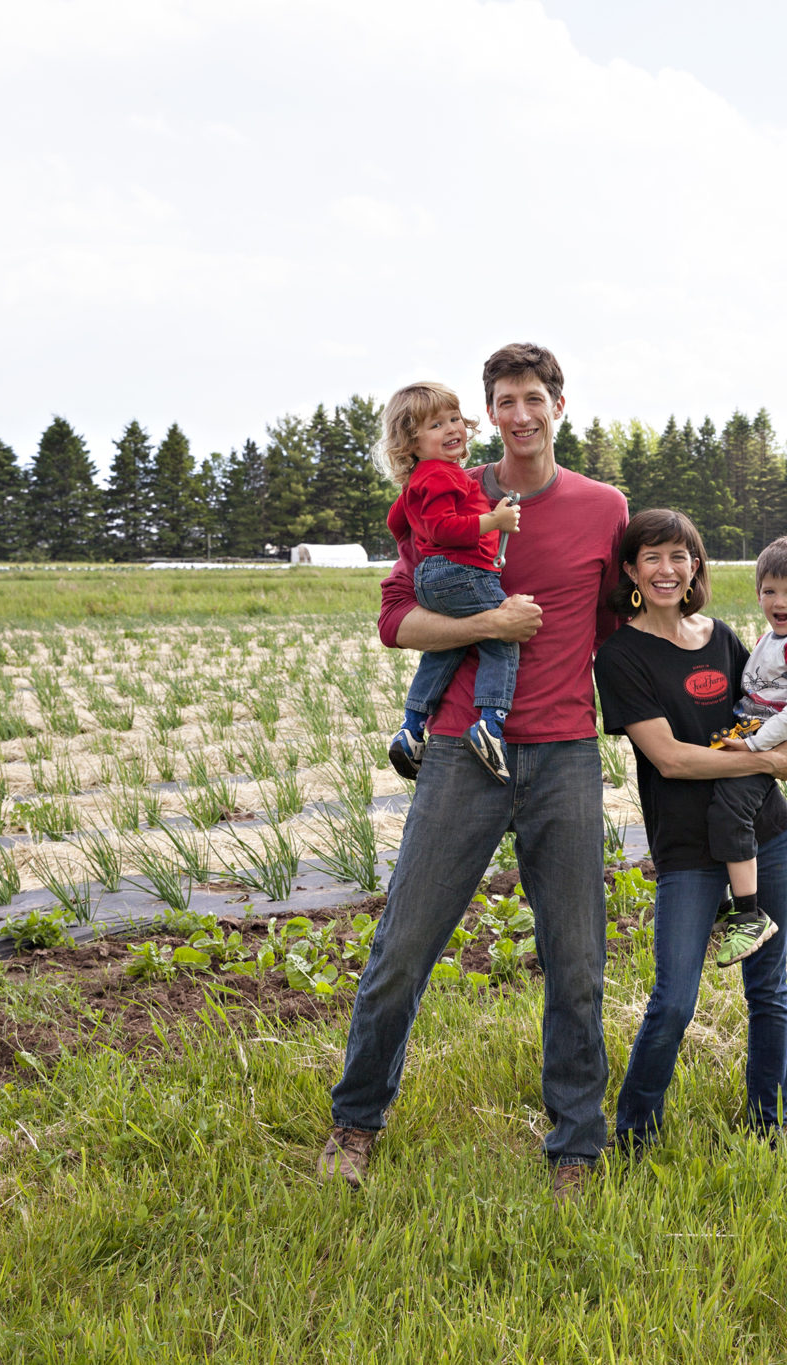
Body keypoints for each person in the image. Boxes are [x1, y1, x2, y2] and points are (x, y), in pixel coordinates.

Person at [320, 343, 628, 1200]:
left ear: (559, 405)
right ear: (488, 413)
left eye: (534, 398)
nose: (519, 415)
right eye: (504, 401)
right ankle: (355, 1122)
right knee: (402, 948)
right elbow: (397, 621)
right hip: (462, 749)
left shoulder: (604, 508)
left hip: (564, 751)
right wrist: (490, 623)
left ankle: (576, 1147)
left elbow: (620, 625)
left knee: (577, 961)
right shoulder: (452, 493)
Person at [592, 510, 787, 1154]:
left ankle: (770, 1124)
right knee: (673, 1000)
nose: (667, 570)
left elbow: (765, 707)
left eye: (679, 556)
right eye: (652, 557)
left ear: (696, 567)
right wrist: (766, 761)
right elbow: (671, 759)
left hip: (762, 832)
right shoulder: (621, 655)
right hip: (688, 847)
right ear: (631, 571)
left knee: (768, 987)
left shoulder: (722, 637)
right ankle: (635, 1133)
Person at [373, 380, 523, 784]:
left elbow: (397, 521)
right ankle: (490, 724)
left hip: (433, 575)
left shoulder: (420, 479)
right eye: (436, 425)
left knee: (447, 646)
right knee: (502, 638)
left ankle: (412, 726)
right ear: (412, 442)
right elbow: (443, 528)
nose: (452, 428)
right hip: (463, 570)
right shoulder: (442, 475)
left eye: (454, 418)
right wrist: (494, 520)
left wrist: (420, 539)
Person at [702, 535, 787, 967]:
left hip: (766, 739)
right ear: (758, 593)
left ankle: (748, 914)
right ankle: (725, 901)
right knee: (707, 796)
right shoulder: (770, 638)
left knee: (731, 810)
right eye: (770, 591)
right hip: (752, 731)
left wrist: (754, 746)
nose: (780, 601)